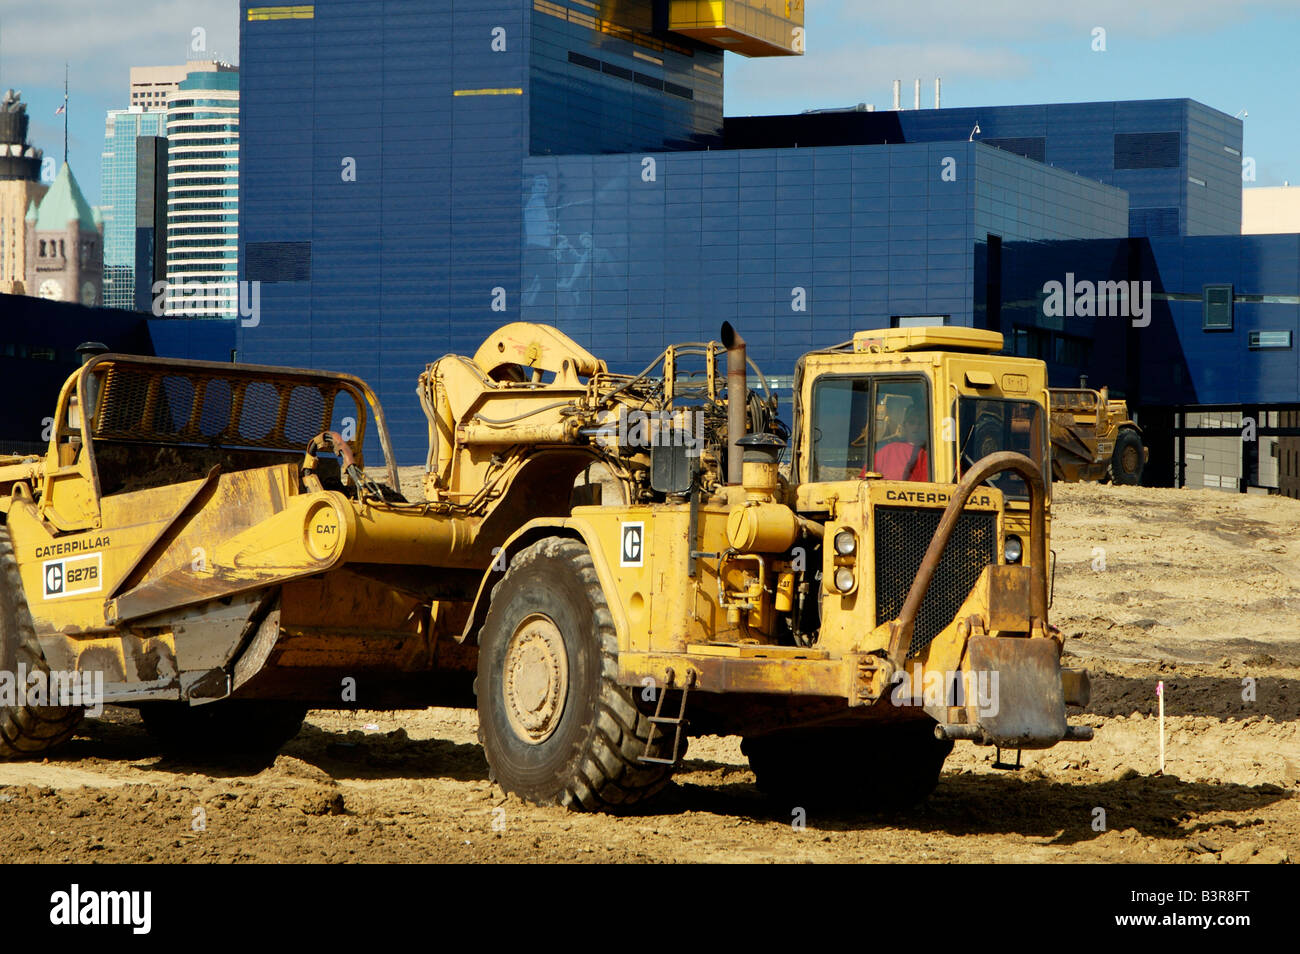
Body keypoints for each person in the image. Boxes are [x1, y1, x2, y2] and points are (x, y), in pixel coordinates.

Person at [862, 406, 928, 480]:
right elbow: (864, 478)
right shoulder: (890, 450)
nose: (916, 426)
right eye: (912, 422)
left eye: (920, 423)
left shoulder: (932, 456)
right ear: (904, 425)